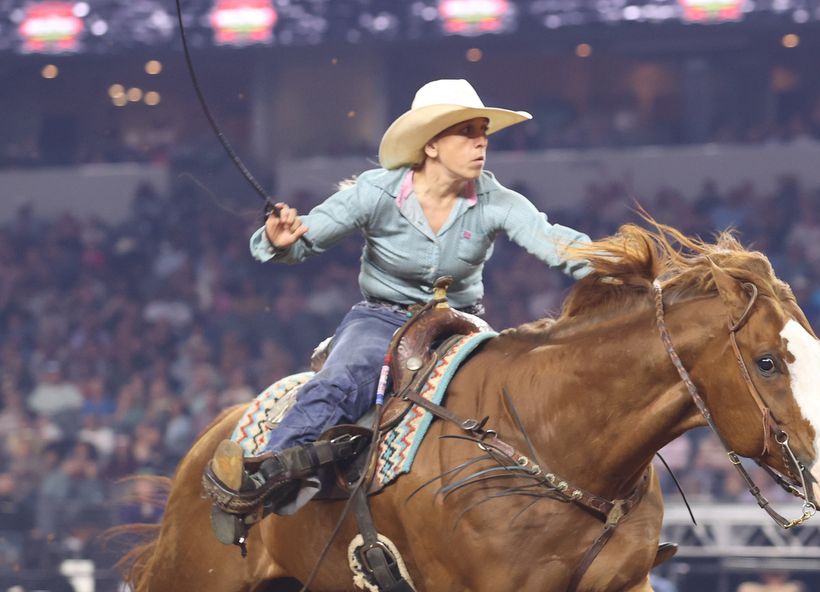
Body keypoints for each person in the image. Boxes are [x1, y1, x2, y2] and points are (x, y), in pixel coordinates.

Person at [207, 79, 595, 523]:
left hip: (461, 325)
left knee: (519, 391)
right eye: (467, 132)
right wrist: (278, 240)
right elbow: (303, 242)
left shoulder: (497, 200)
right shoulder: (377, 192)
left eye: (483, 131)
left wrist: (616, 262)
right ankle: (268, 473)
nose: (481, 142)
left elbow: (553, 242)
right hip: (380, 319)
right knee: (344, 378)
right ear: (431, 145)